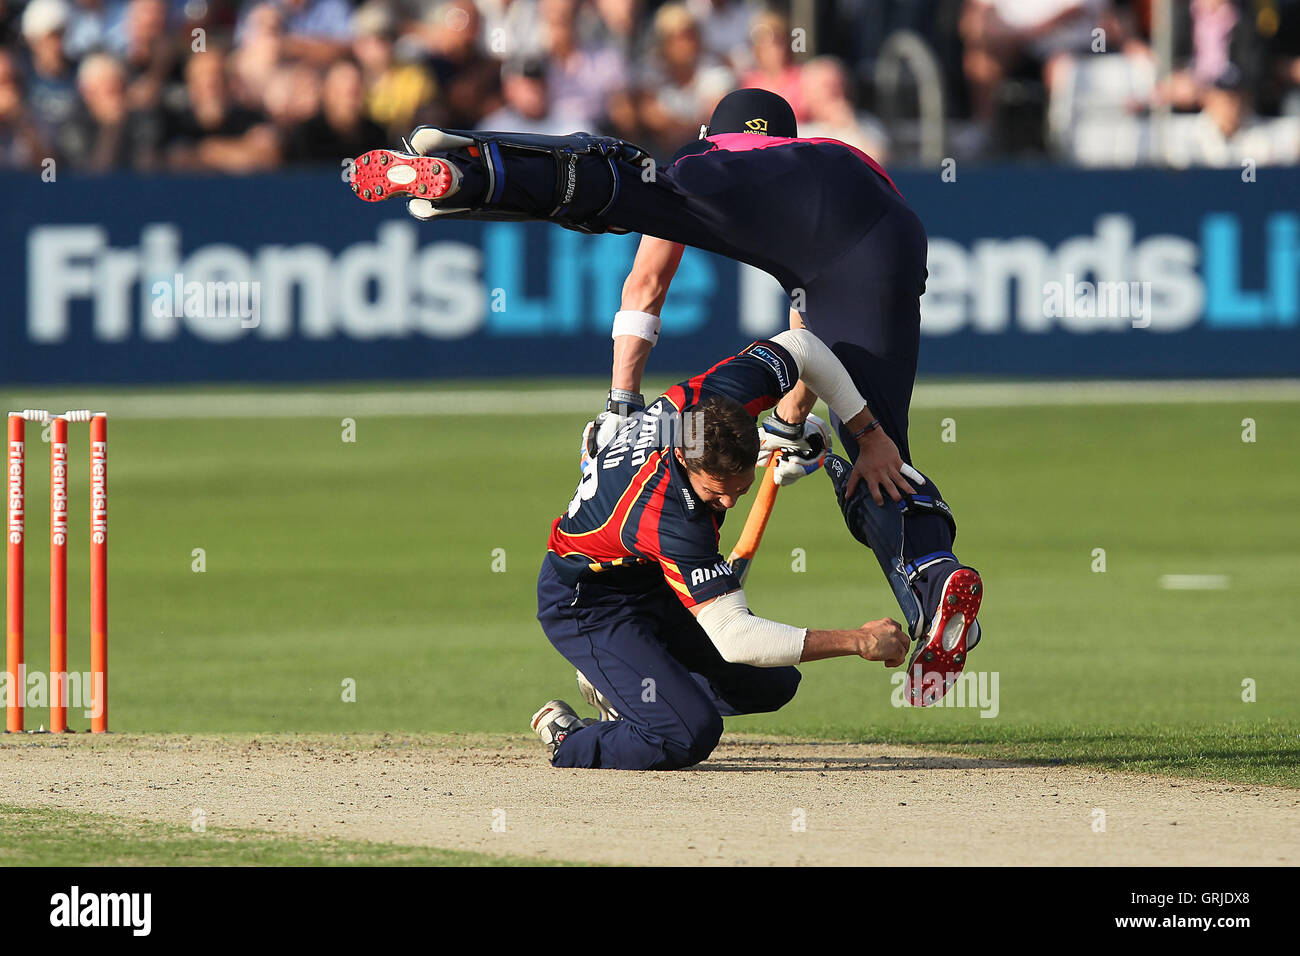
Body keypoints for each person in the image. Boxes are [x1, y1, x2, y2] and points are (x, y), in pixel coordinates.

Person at [346, 88, 983, 707]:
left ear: (717, 136)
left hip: (775, 221)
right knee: (878, 459)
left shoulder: (703, 162)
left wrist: (621, 404)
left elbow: (646, 288)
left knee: (625, 187)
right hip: (891, 236)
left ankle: (469, 176)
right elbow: (808, 330)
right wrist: (799, 420)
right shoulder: (834, 158)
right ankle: (932, 577)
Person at [531, 332, 910, 769]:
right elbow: (736, 638)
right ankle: (570, 737)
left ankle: (634, 687)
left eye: (739, 488)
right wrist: (858, 640)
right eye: (716, 493)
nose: (729, 503)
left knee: (773, 686)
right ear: (685, 459)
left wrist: (856, 435)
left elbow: (804, 347)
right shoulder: (668, 516)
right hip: (588, 605)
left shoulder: (708, 403)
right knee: (688, 734)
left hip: (648, 578)